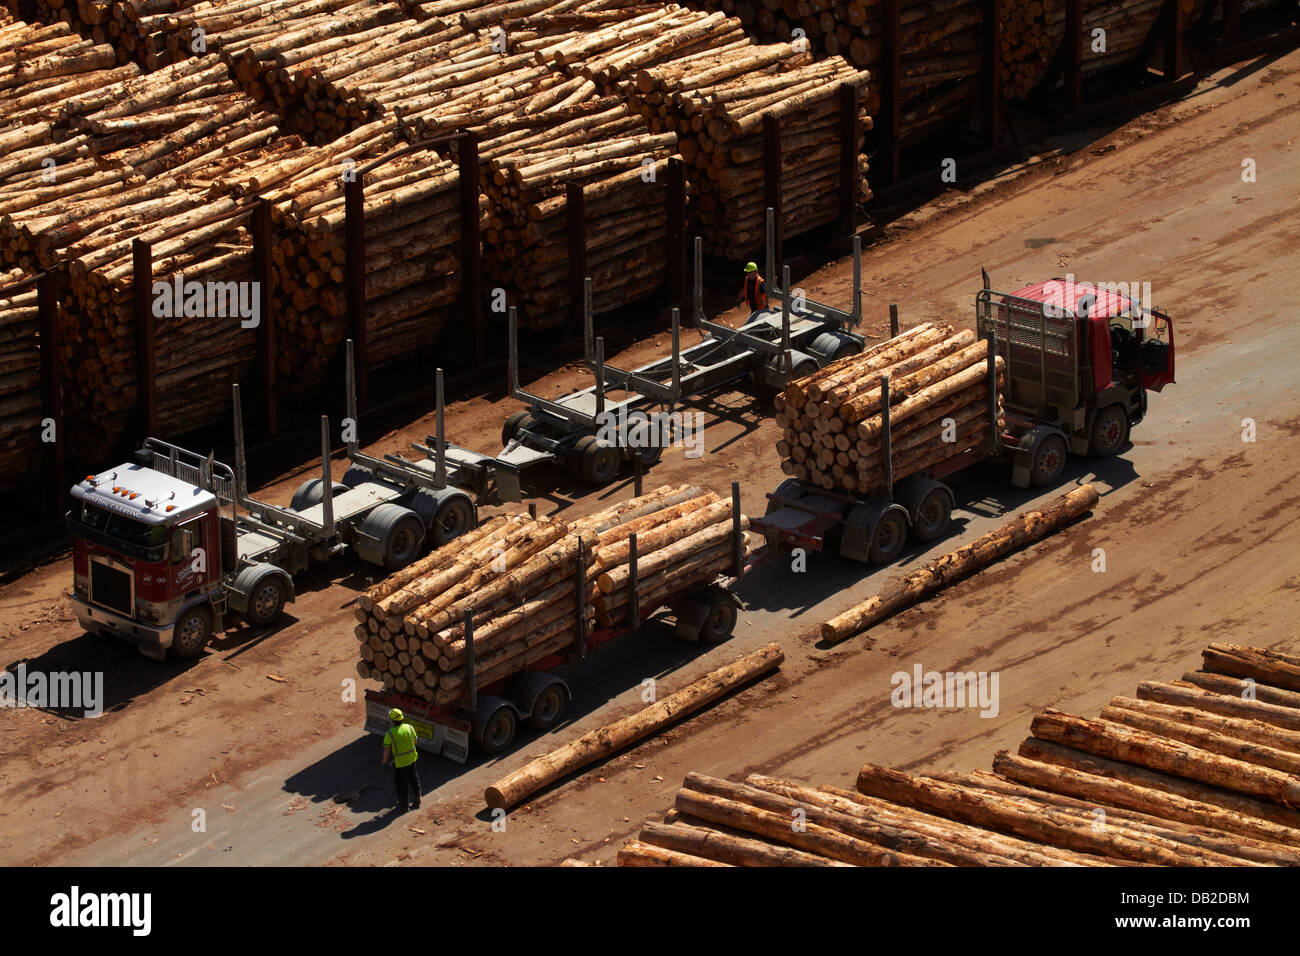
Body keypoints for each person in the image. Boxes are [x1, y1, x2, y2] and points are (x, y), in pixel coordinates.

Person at [382, 708, 421, 813]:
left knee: (401, 784)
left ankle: (405, 805)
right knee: (414, 779)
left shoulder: (390, 733)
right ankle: (418, 798)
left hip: (400, 763)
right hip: (412, 758)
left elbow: (386, 750)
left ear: (392, 720)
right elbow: (415, 741)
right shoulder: (409, 727)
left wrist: (385, 762)